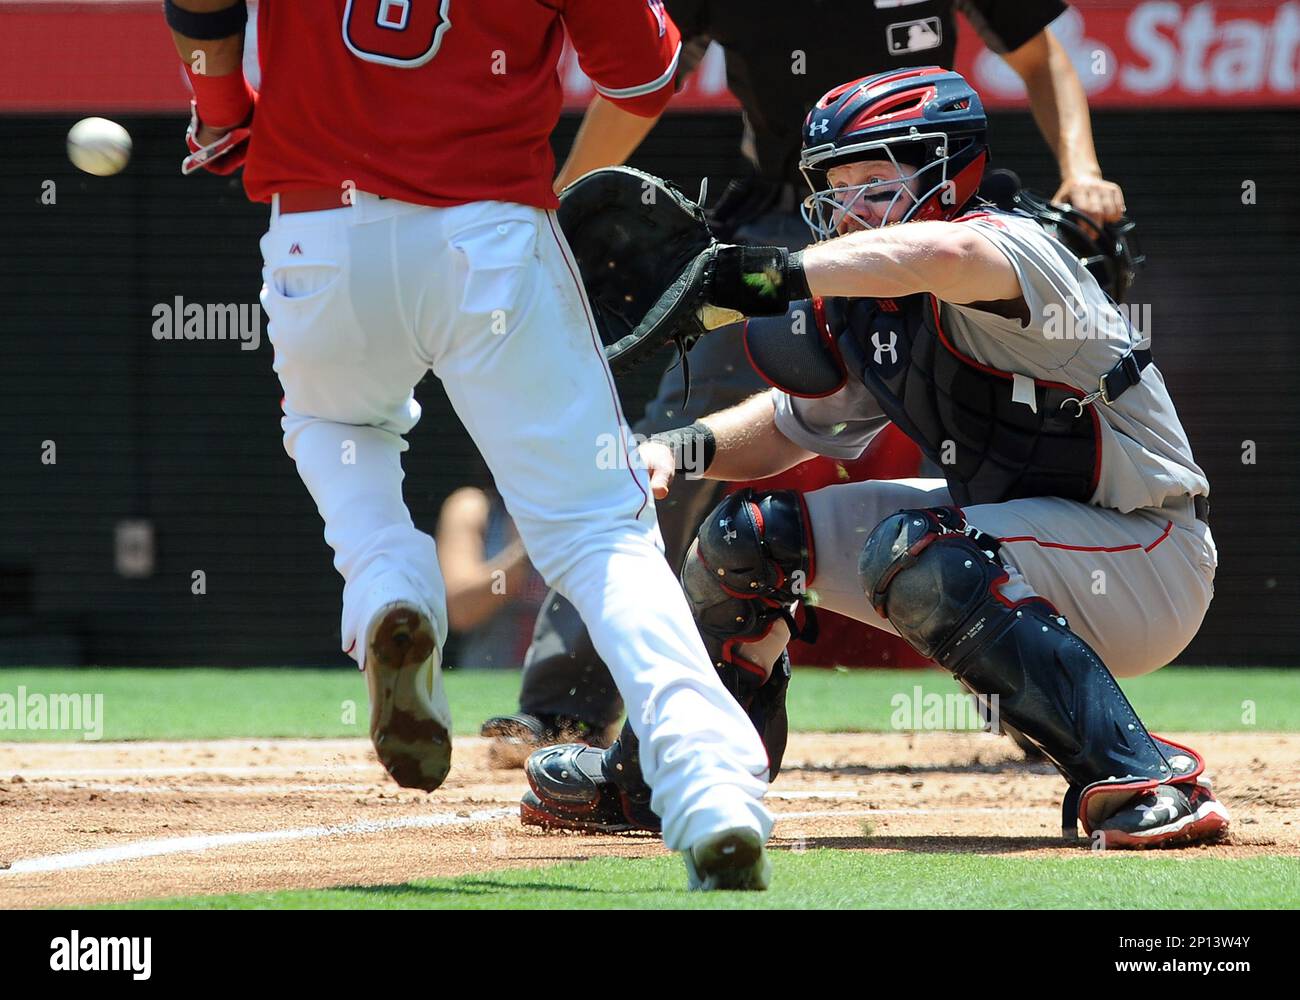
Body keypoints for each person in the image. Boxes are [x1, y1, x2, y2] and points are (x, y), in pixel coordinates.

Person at [522, 67, 1230, 850]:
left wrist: (752, 277)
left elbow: (943, 252)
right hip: (1022, 543)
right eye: (838, 184)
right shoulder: (867, 299)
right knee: (747, 537)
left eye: (876, 180)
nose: (851, 205)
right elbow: (793, 428)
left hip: (1146, 556)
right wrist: (672, 447)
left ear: (951, 172)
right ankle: (666, 774)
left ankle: (1149, 778)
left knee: (923, 550)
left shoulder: (1012, 245)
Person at [163, 0, 775, 890]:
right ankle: (711, 787)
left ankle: (386, 589)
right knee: (601, 534)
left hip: (318, 238)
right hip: (487, 233)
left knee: (338, 428)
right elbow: (644, 76)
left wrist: (221, 109)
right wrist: (562, 193)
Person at [484, 0, 1134, 756]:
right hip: (797, 220)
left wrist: (1082, 172)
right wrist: (555, 206)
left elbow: (1040, 54)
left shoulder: (986, 248)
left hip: (933, 219)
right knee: (675, 442)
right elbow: (644, 78)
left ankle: (1050, 702)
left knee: (996, 437)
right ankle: (568, 700)